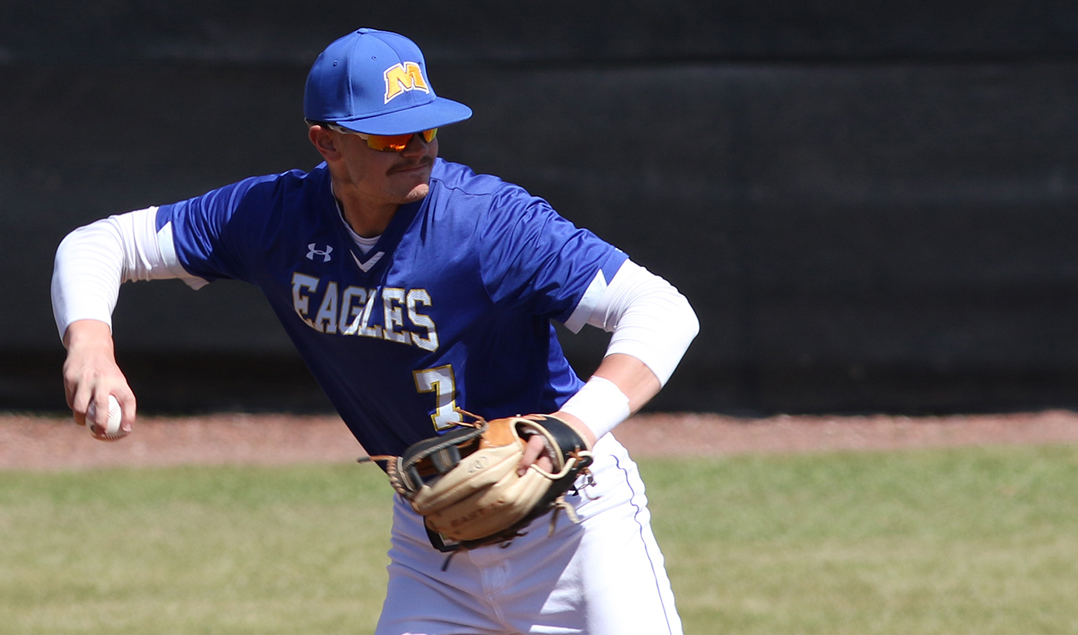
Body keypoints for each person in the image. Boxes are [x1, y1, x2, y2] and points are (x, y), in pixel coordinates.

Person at [52, 27, 699, 635]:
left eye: (426, 127)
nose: (416, 145)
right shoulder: (273, 217)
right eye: (390, 136)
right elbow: (100, 243)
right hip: (433, 544)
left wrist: (576, 422)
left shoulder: (490, 222)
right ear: (326, 142)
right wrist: (90, 341)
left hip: (574, 526)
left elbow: (664, 309)